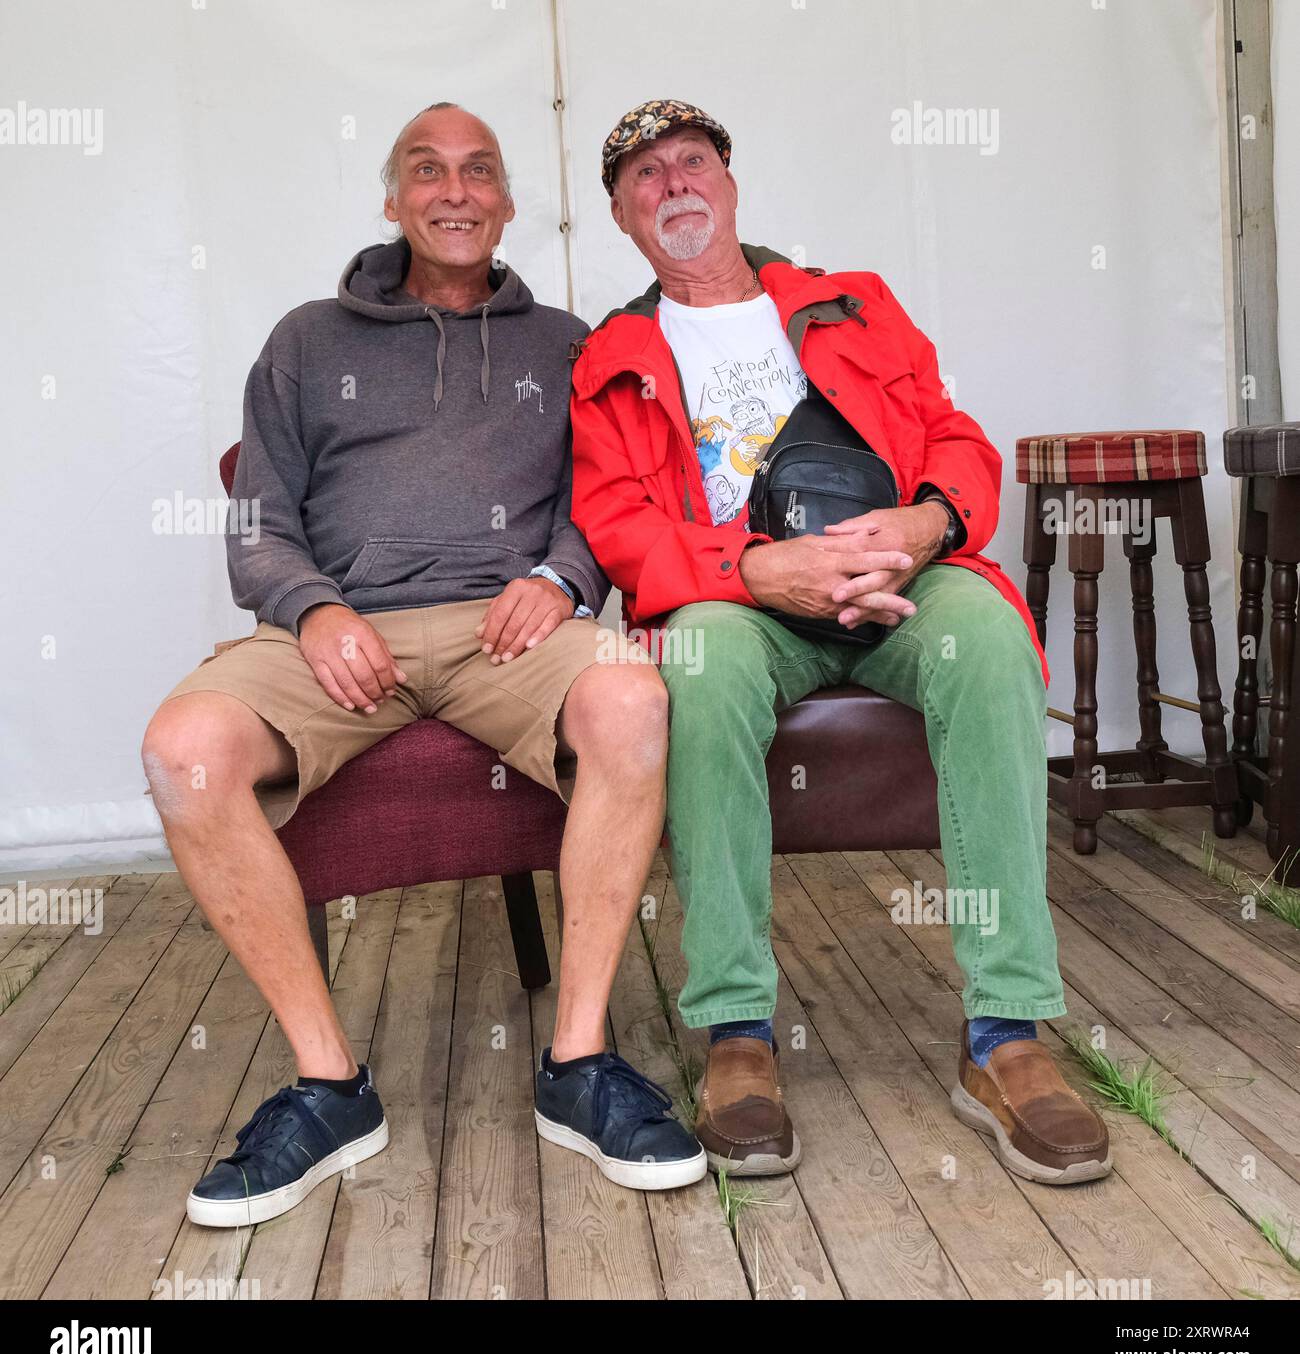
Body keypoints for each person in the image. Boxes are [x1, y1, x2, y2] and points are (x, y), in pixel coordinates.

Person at [141, 103, 706, 1226]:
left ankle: (579, 1063)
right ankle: (329, 1085)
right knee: (184, 752)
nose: (454, 191)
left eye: (478, 172)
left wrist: (555, 580)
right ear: (392, 201)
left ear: (505, 206)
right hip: (340, 630)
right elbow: (257, 519)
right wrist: (309, 611)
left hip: (515, 632)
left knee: (634, 701)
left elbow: (611, 501)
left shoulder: (569, 343)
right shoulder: (307, 339)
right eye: (426, 171)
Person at [568, 98, 1111, 1184]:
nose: (674, 184)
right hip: (741, 599)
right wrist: (754, 568)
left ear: (729, 183)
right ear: (622, 218)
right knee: (702, 664)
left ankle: (1006, 1033)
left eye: (692, 163)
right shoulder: (612, 357)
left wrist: (924, 526)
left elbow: (954, 438)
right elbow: (616, 523)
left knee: (995, 643)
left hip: (899, 575)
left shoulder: (850, 303)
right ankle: (736, 1031)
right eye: (645, 177)